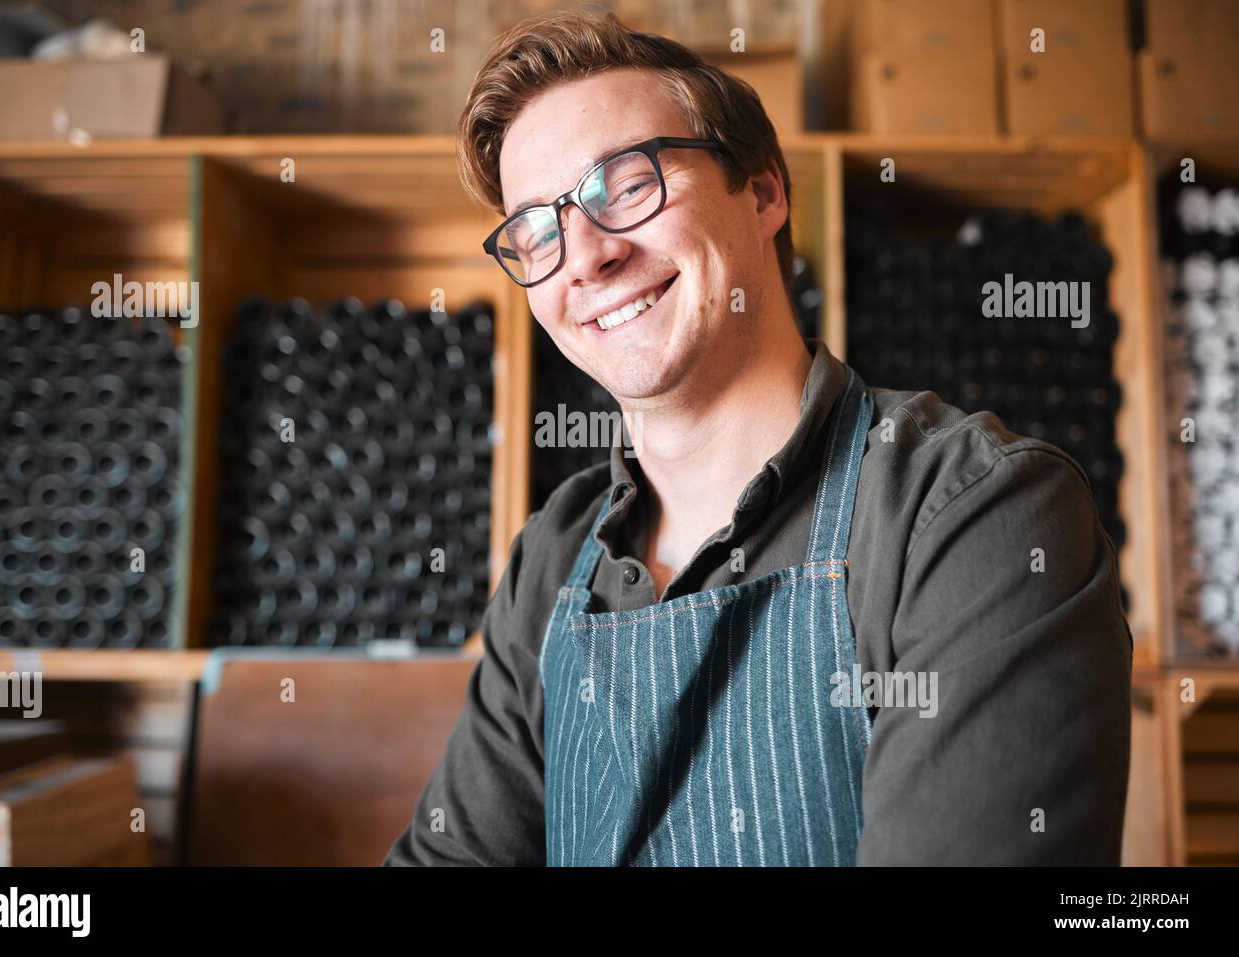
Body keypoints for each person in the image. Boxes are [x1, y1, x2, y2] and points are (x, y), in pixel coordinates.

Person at [383, 11, 1131, 866]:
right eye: (536, 232)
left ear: (765, 191)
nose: (584, 257)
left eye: (626, 185)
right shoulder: (553, 558)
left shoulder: (973, 513)